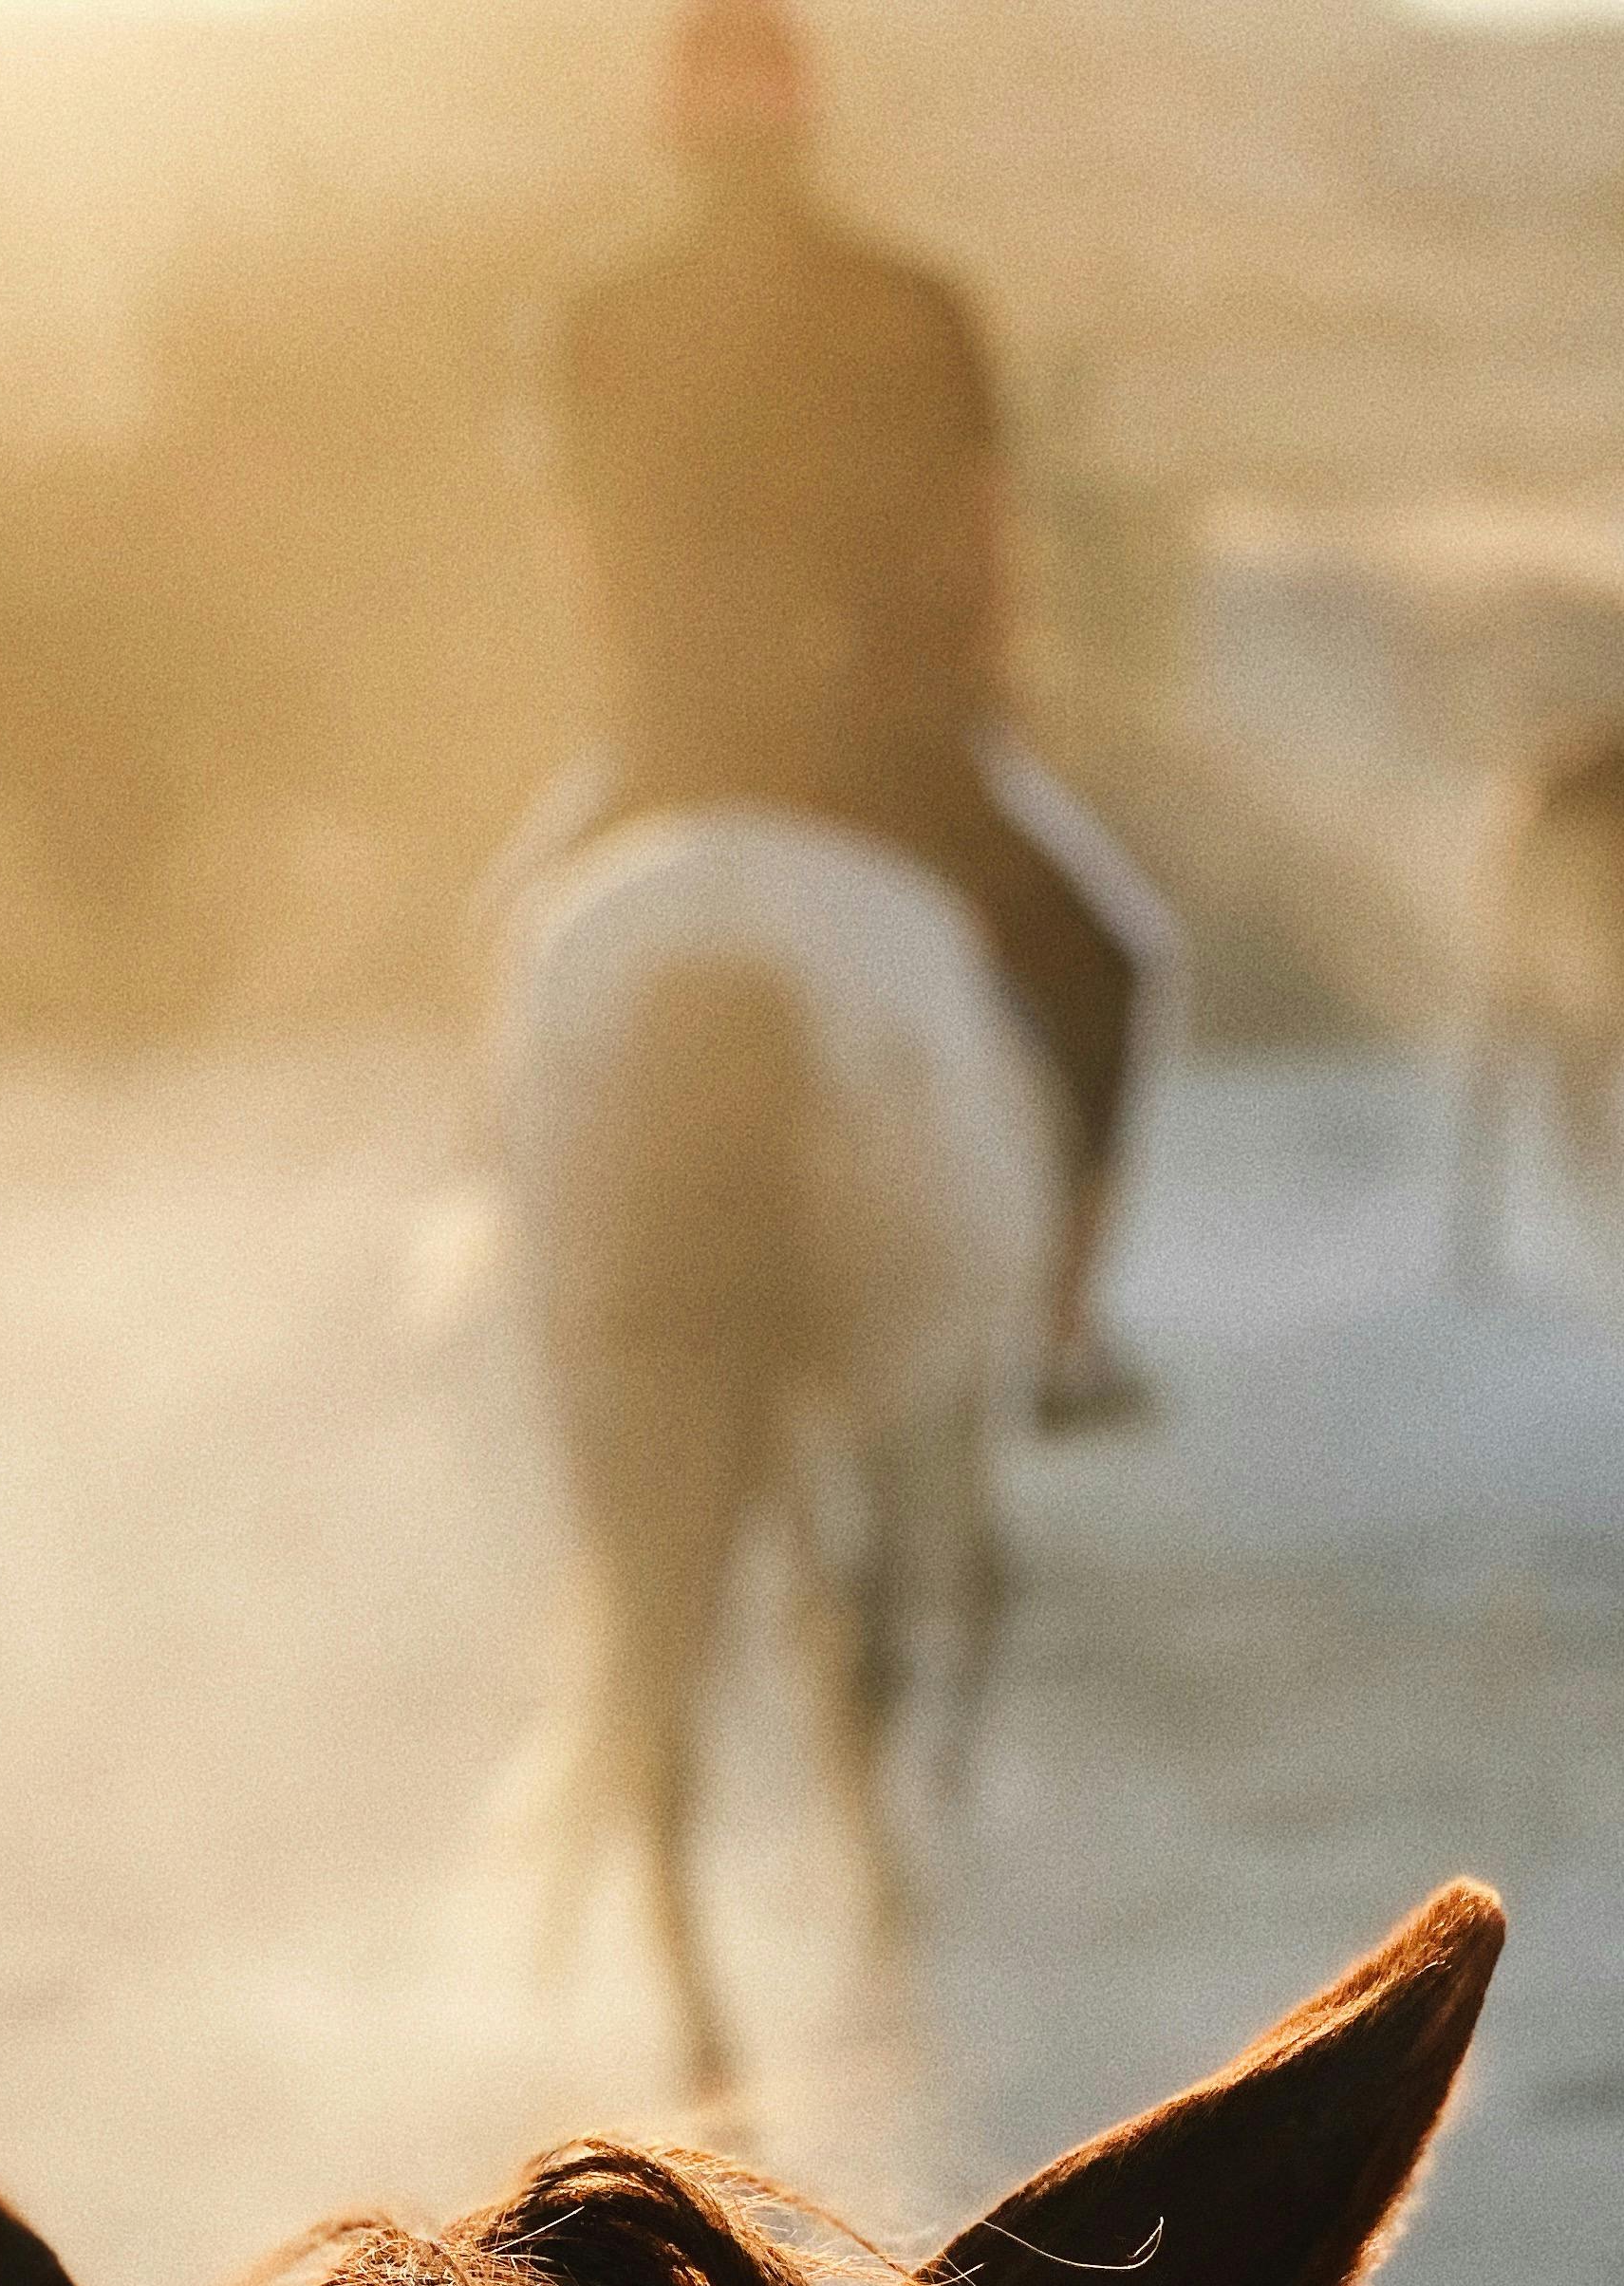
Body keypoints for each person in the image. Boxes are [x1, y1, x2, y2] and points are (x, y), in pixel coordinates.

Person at [534, 0, 1164, 1430]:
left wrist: (650, 698)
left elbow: (590, 554)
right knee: (1117, 967)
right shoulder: (915, 302)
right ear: (808, 114)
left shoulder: (604, 313)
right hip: (893, 749)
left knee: (505, 956)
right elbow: (980, 534)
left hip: (678, 748)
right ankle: (1065, 1324)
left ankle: (507, 1254)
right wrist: (979, 692)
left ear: (670, 126)